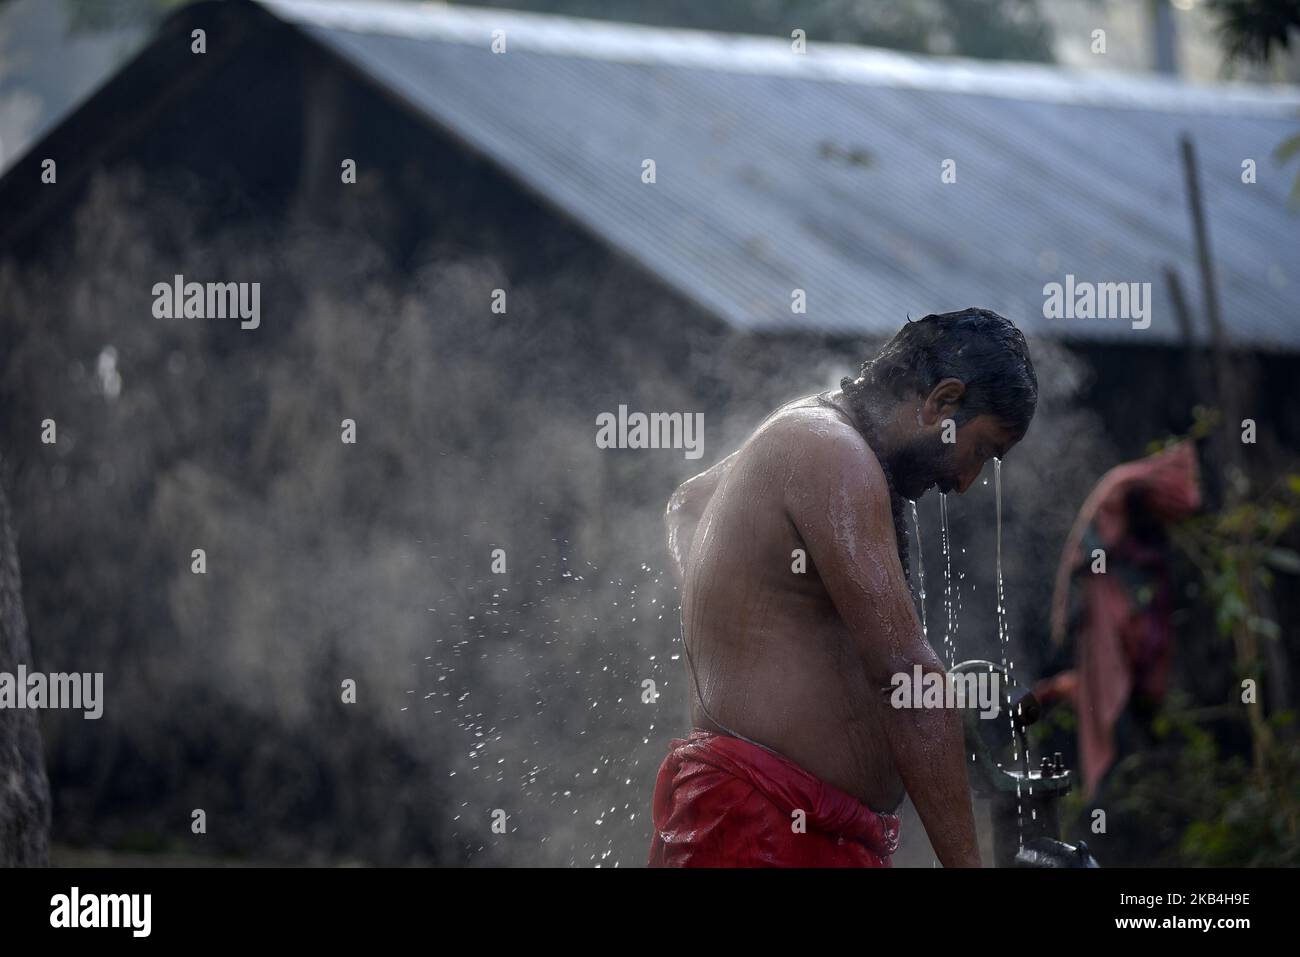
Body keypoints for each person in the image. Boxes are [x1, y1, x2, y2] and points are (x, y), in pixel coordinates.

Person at [649, 307, 1037, 867]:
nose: (965, 481)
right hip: (760, 830)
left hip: (787, 826)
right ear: (942, 402)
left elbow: (689, 505)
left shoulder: (814, 436)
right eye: (979, 451)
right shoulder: (830, 452)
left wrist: (745, 627)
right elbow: (907, 679)